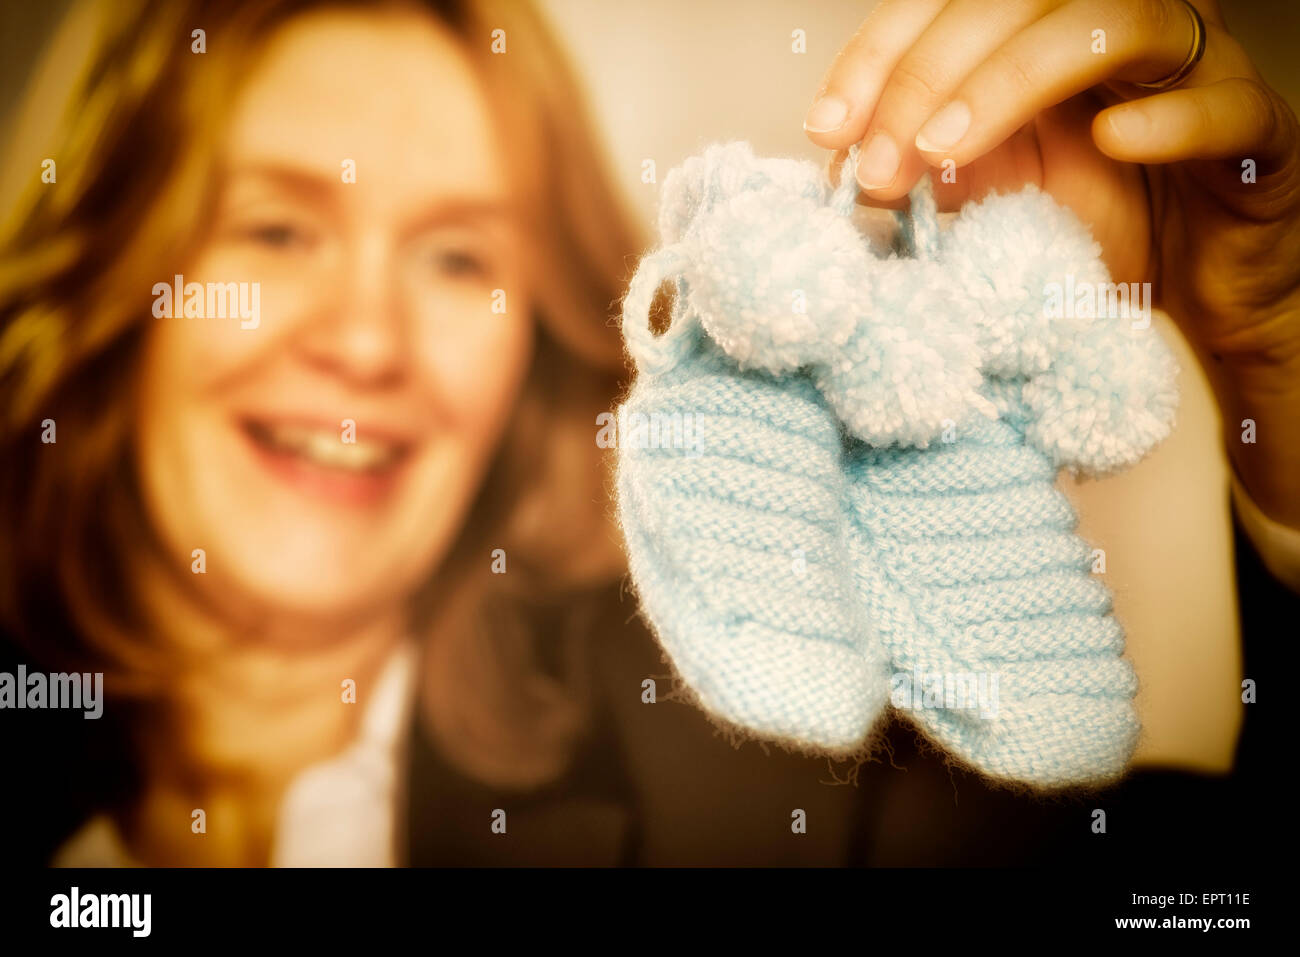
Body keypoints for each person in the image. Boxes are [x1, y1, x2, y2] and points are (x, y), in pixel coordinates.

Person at [0, 0, 1293, 867]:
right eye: (277, 230)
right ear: (116, 282)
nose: (367, 342)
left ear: (541, 340)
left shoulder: (758, 762)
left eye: (457, 258)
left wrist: (1279, 366)